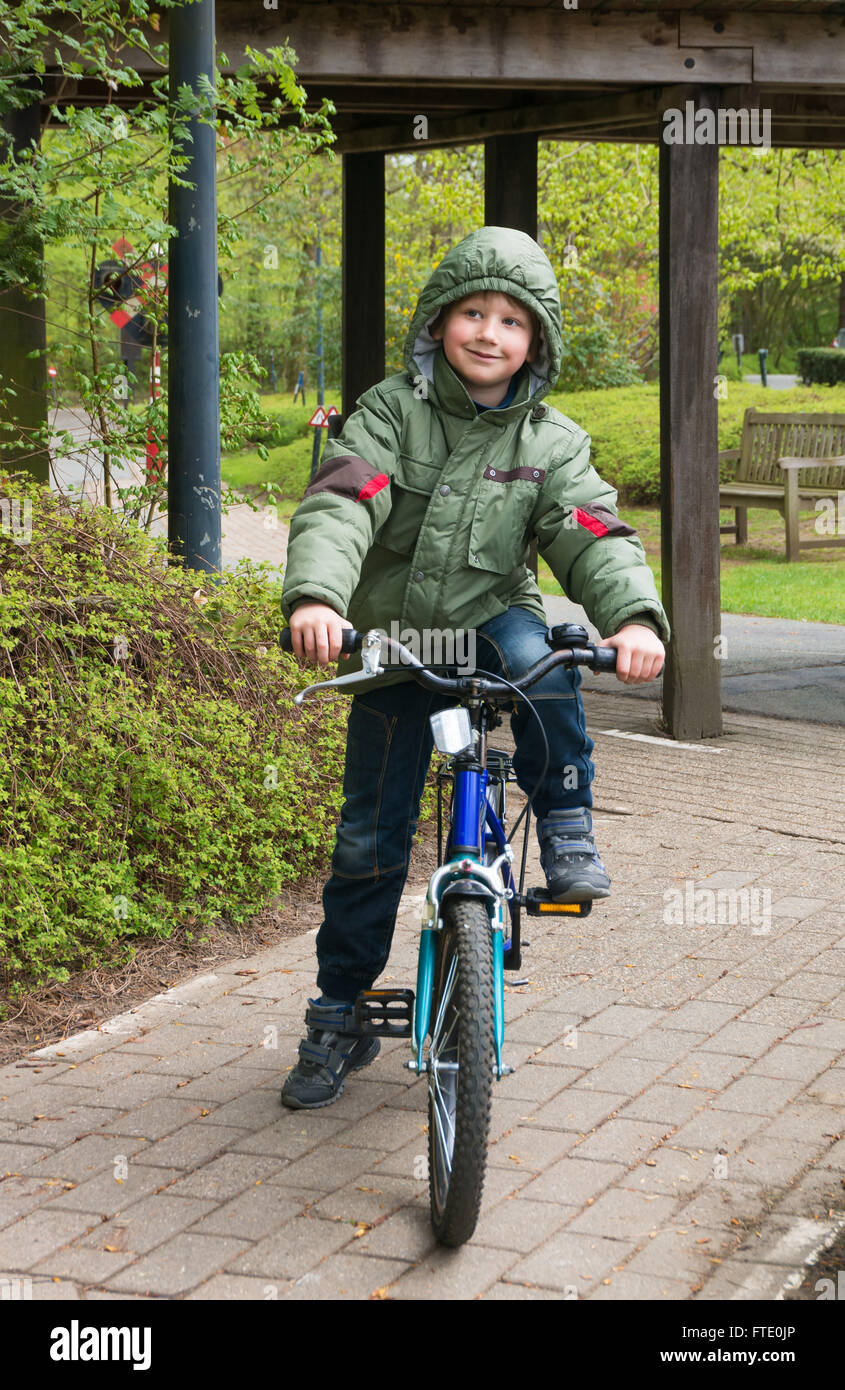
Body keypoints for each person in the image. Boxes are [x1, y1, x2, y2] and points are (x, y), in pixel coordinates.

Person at [279, 226, 669, 1110]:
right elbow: (342, 505)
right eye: (471, 313)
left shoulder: (549, 440)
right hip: (392, 646)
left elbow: (591, 532)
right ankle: (337, 1011)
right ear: (437, 323)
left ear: (537, 342)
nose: (489, 334)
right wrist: (318, 601)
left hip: (492, 623)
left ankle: (565, 818)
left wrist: (634, 620)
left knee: (550, 664)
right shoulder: (385, 415)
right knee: (368, 847)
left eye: (511, 321)